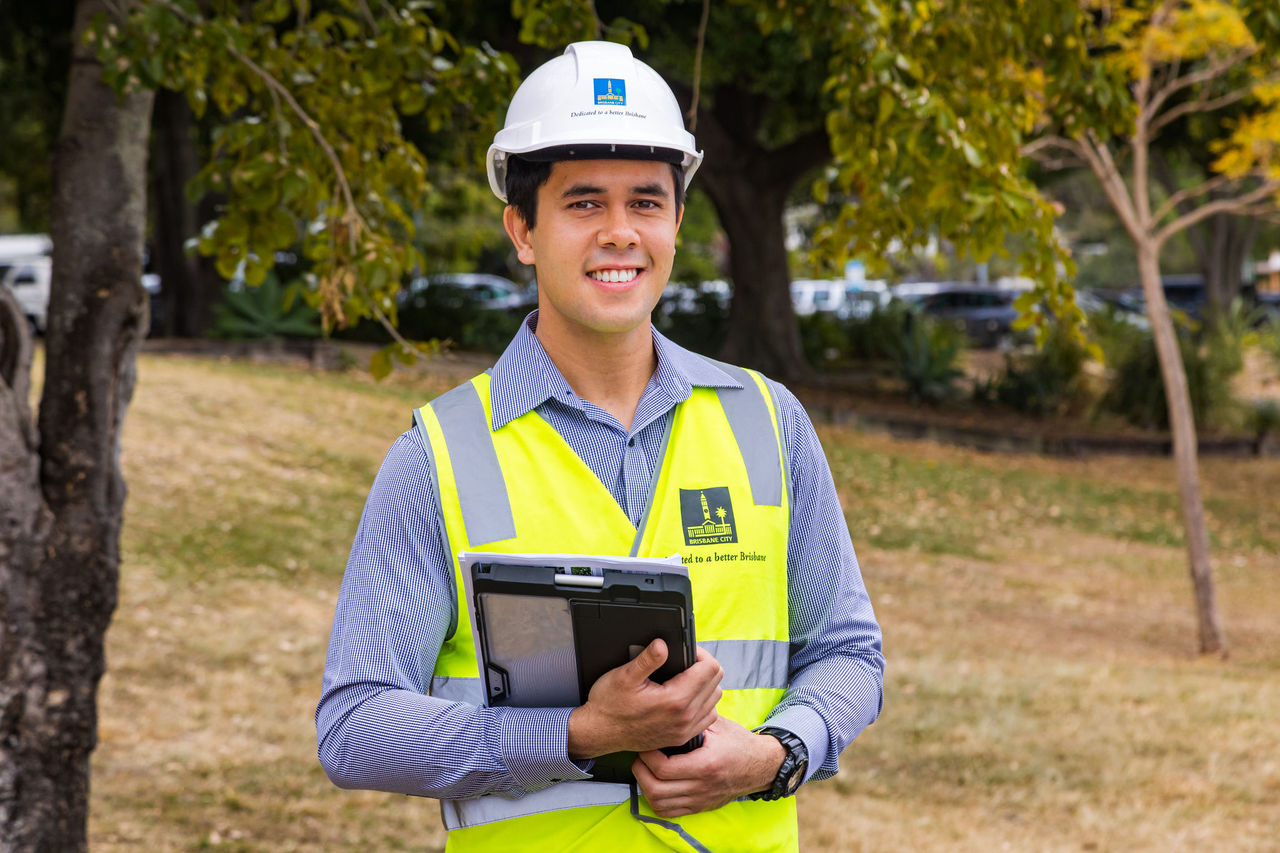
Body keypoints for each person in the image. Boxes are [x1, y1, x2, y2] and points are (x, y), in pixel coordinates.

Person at [316, 41, 884, 852]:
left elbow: (848, 654)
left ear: (678, 222)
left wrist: (773, 755)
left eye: (646, 203)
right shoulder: (439, 455)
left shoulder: (768, 420)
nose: (621, 234)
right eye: (584, 204)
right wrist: (574, 734)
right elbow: (355, 725)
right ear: (522, 227)